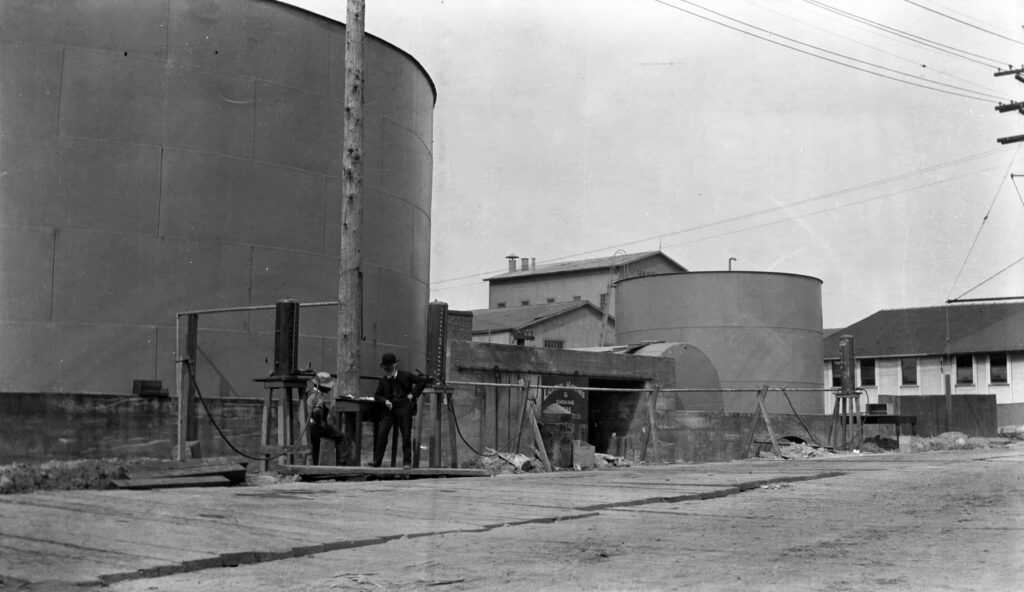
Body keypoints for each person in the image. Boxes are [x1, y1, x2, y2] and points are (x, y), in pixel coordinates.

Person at [371, 352, 434, 468]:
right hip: (389, 410)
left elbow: (422, 381)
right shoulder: (383, 381)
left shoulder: (405, 376)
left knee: (406, 434)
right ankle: (377, 461)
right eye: (386, 369)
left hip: (404, 407)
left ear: (395, 365)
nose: (387, 371)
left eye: (389, 368)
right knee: (382, 432)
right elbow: (377, 395)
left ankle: (406, 461)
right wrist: (385, 401)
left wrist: (413, 395)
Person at [305, 371, 345, 465]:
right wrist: (320, 423)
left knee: (316, 447)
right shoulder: (317, 396)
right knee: (341, 437)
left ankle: (316, 466)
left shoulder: (310, 393)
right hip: (315, 427)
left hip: (309, 428)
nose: (329, 388)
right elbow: (317, 411)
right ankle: (342, 464)